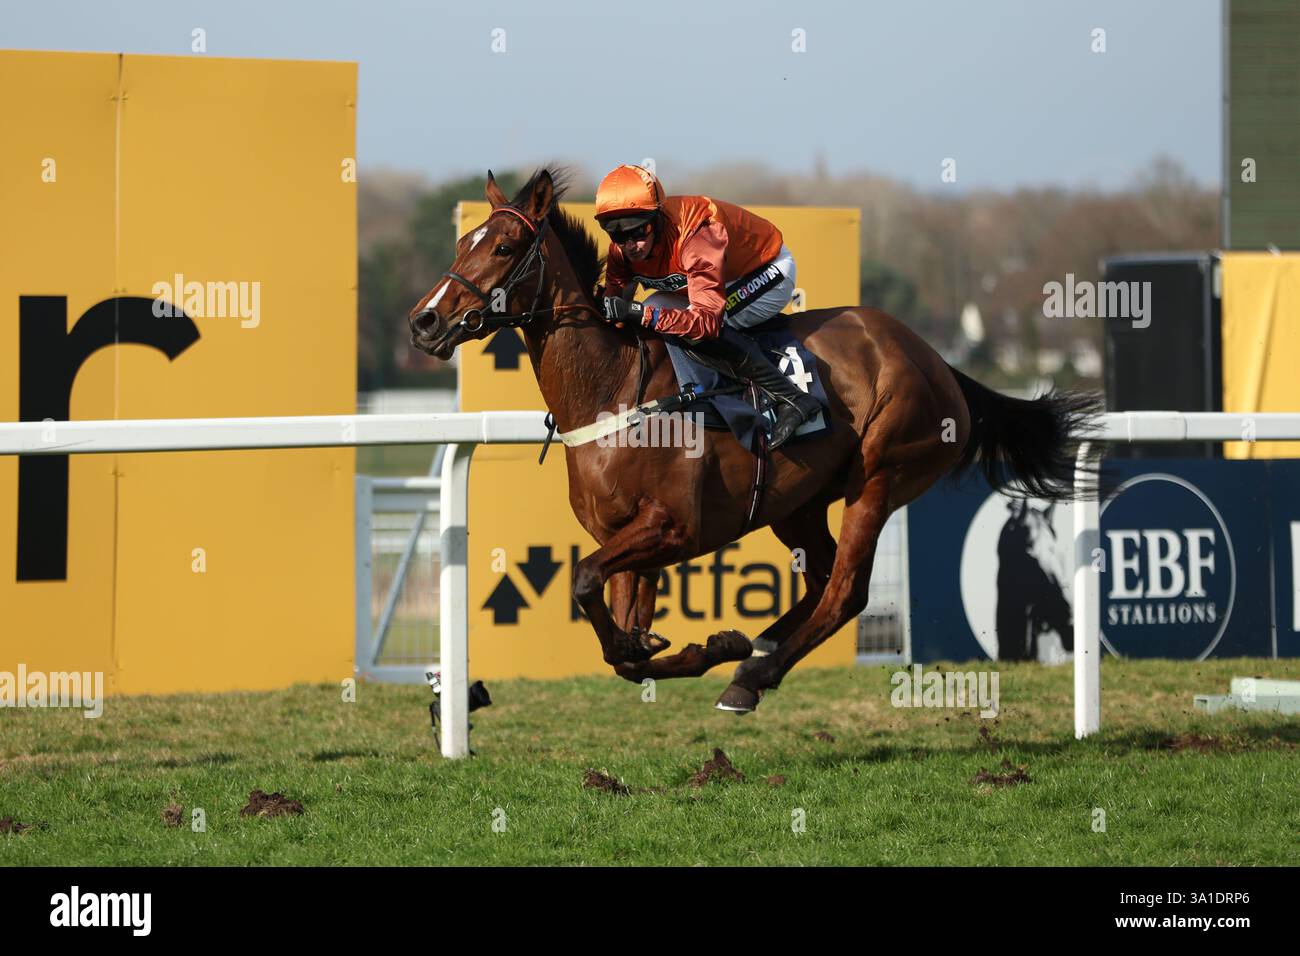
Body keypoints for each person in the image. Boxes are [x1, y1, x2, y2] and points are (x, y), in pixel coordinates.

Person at [595, 164, 821, 452]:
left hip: (766, 271)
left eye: (639, 231)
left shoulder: (697, 235)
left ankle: (793, 399)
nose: (631, 245)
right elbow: (613, 311)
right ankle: (701, 392)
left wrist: (640, 314)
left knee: (691, 327)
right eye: (617, 235)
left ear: (658, 218)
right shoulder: (623, 251)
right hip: (715, 283)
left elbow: (706, 323)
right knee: (655, 305)